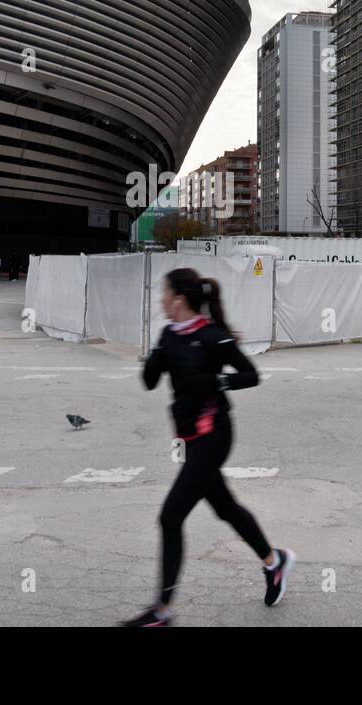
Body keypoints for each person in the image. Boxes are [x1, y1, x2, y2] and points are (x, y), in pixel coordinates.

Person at [120, 268, 293, 626]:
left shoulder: (213, 336)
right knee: (226, 508)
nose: (161, 301)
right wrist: (156, 354)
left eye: (165, 294)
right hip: (189, 437)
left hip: (214, 435)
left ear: (179, 299)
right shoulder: (169, 335)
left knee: (170, 516)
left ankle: (161, 612)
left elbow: (251, 375)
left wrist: (217, 380)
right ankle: (274, 562)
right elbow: (150, 382)